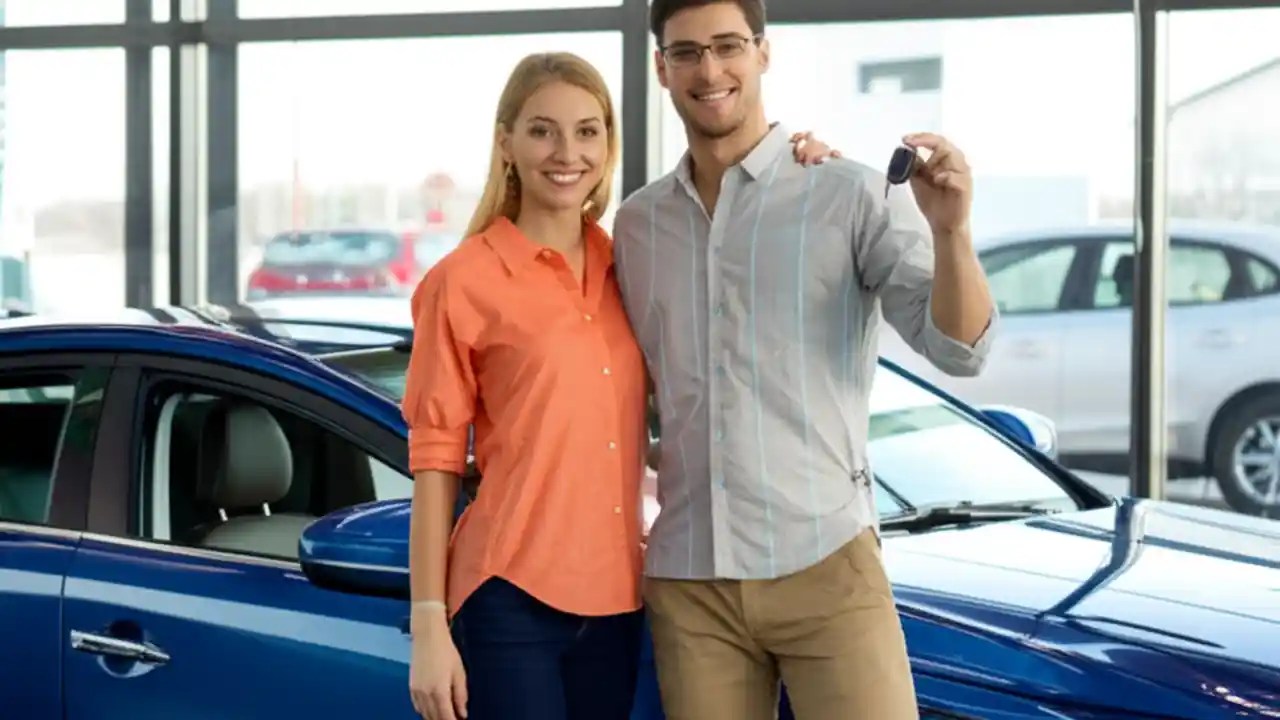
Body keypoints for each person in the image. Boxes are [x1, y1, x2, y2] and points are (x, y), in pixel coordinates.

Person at [400, 51, 837, 720]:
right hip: (508, 598)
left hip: (618, 601)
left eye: (587, 130)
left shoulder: (629, 259)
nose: (566, 151)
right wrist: (429, 623)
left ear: (608, 144)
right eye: (543, 130)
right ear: (506, 143)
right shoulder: (462, 282)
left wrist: (804, 177)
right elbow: (433, 458)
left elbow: (722, 334)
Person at [611, 1, 998, 719]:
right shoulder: (636, 225)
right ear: (660, 67)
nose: (710, 69)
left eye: (728, 46)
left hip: (826, 562)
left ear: (763, 52)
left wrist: (952, 233)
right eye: (688, 52)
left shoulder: (845, 192)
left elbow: (959, 349)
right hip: (691, 582)